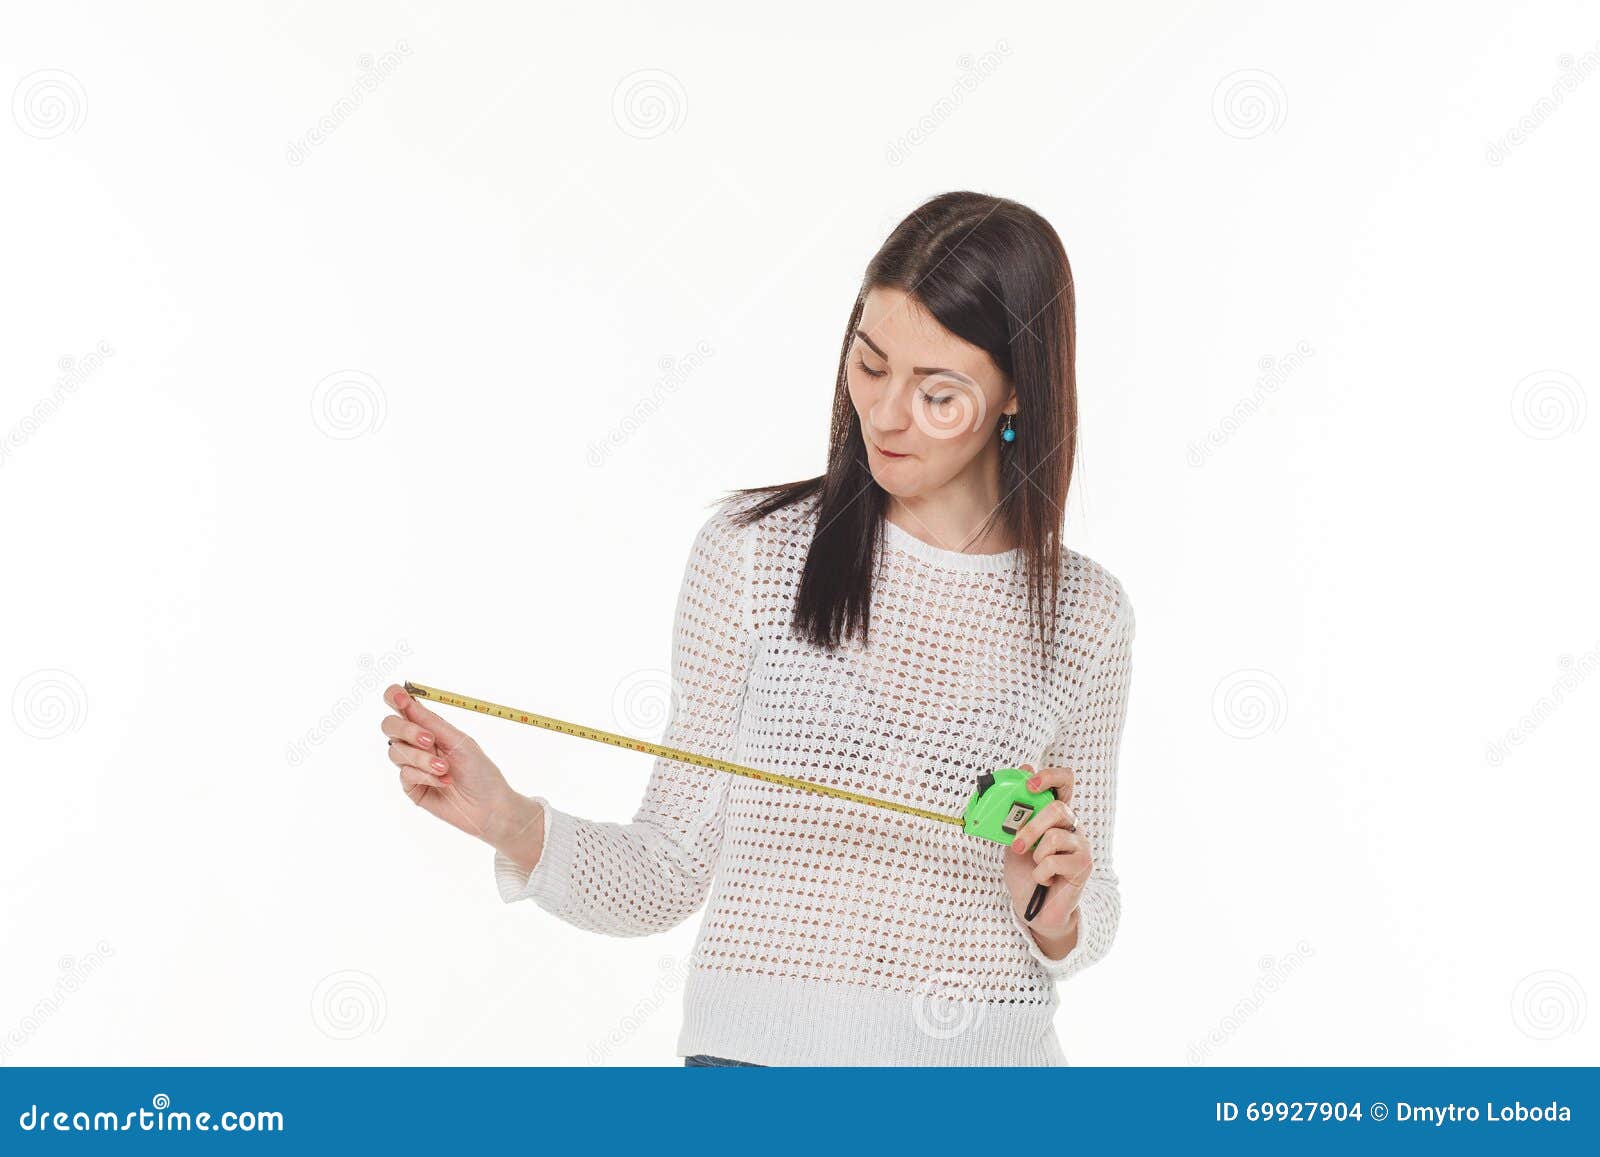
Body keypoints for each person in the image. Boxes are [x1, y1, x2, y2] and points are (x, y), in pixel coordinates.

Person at [382, 190, 1135, 1066]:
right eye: (870, 362)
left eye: (939, 395)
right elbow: (667, 868)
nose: (885, 414)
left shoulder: (1086, 614)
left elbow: (1094, 904)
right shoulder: (754, 554)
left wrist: (1051, 900)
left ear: (1016, 396)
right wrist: (508, 819)